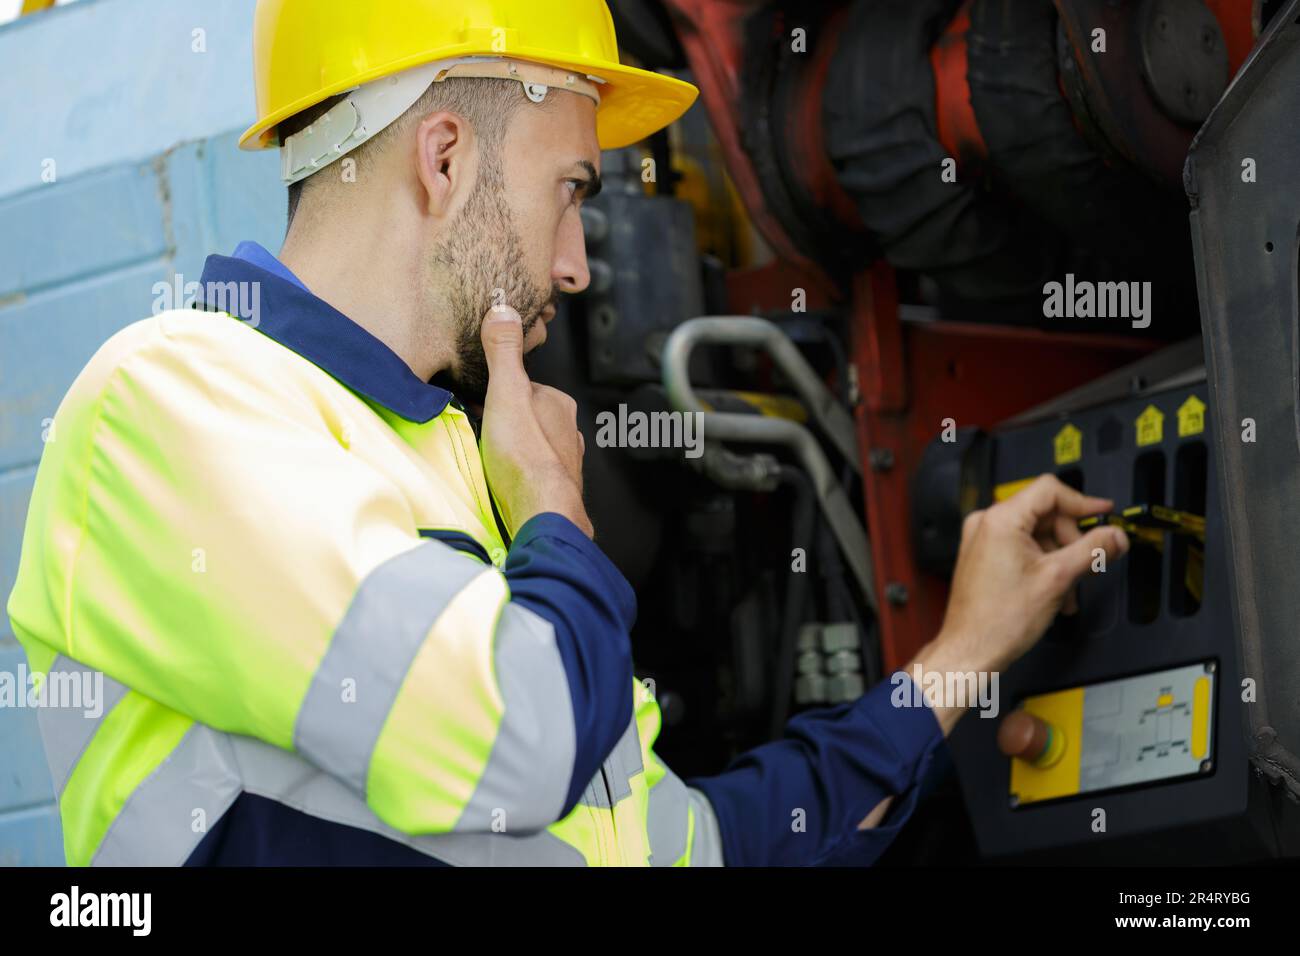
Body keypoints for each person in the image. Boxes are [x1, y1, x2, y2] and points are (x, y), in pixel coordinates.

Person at [6, 0, 1129, 866]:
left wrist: (960, 658)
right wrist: (554, 511)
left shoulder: (452, 466)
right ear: (442, 159)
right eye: (571, 190)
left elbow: (700, 846)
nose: (576, 264)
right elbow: (522, 736)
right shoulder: (171, 404)